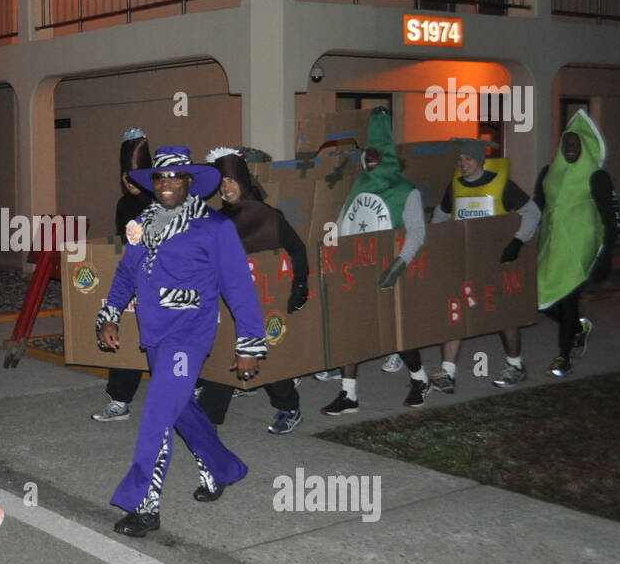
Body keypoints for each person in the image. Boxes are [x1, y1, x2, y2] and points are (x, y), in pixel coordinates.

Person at [96, 147, 267, 537]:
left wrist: (249, 346)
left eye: (176, 177)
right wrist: (109, 315)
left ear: (190, 182)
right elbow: (126, 274)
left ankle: (144, 504)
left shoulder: (214, 227)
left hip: (188, 336)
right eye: (160, 178)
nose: (167, 184)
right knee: (178, 408)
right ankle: (223, 467)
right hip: (154, 333)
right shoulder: (145, 223)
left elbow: (240, 289)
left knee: (157, 413)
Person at [320, 110, 432, 414]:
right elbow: (343, 224)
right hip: (357, 269)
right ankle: (349, 394)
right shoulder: (358, 187)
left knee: (397, 333)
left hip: (392, 269)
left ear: (388, 157)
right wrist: (334, 256)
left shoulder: (405, 190)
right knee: (350, 331)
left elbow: (418, 231)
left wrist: (398, 264)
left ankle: (420, 378)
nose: (371, 161)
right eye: (367, 156)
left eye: (376, 156)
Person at [198, 147, 309, 434]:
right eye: (222, 183)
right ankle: (208, 417)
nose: (227, 187)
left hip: (262, 297)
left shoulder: (269, 216)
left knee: (264, 354)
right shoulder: (219, 218)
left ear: (244, 183)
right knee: (223, 347)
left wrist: (299, 286)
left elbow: (297, 249)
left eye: (232, 181)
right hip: (227, 297)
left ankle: (289, 407)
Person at [427, 139, 541, 391]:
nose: (463, 163)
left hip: (495, 262)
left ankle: (516, 365)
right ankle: (447, 372)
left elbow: (532, 212)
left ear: (479, 159)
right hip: (464, 260)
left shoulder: (502, 184)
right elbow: (440, 216)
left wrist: (517, 242)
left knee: (503, 315)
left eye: (468, 158)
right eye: (460, 159)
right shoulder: (455, 186)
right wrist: (438, 240)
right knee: (454, 311)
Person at [534, 110, 619, 377]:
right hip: (553, 244)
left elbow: (610, 218)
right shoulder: (549, 172)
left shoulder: (597, 176)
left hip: (581, 245)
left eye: (575, 144)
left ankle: (564, 357)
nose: (570, 149)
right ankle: (578, 328)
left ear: (585, 145)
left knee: (569, 298)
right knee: (539, 298)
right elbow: (537, 208)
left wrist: (606, 254)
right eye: (566, 144)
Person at [91, 127, 153, 422]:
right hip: (135, 278)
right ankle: (119, 399)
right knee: (125, 335)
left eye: (135, 175)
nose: (128, 182)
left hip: (165, 286)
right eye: (124, 176)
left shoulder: (164, 201)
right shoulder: (124, 204)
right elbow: (125, 245)